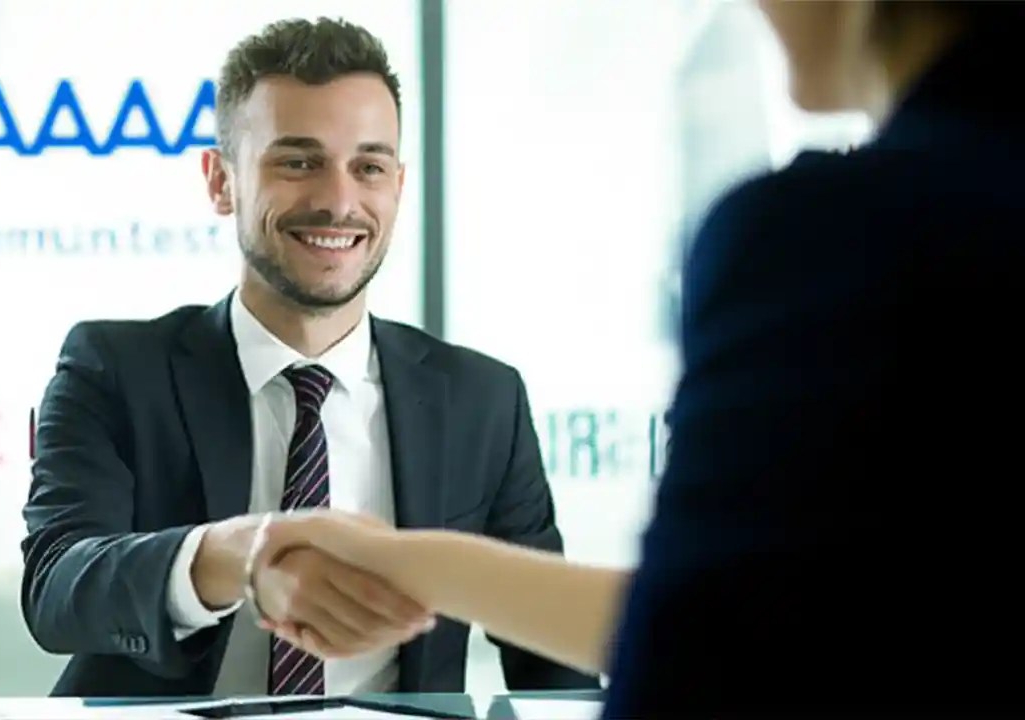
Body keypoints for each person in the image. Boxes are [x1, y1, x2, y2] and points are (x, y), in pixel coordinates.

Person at [250, 1, 1025, 716]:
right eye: (297, 160)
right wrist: (409, 564)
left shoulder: (836, 237)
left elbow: (702, 645)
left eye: (371, 165)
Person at [19, 16, 594, 699]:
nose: (337, 200)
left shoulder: (482, 399)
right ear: (221, 181)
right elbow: (57, 588)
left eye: (369, 167)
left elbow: (551, 659)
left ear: (398, 186)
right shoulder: (114, 366)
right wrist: (239, 556)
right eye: (298, 162)